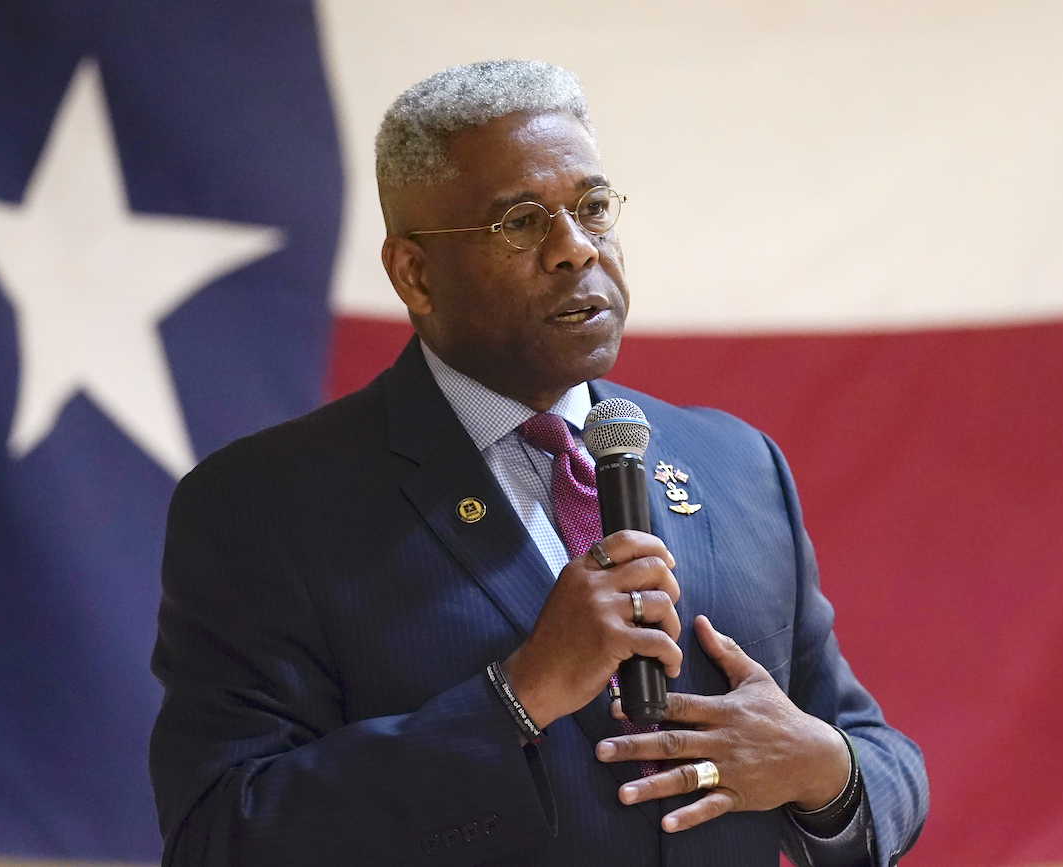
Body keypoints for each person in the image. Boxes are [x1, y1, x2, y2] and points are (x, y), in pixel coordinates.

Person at [149, 60, 928, 866]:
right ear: (415, 273)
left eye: (592, 208)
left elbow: (872, 749)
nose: (576, 248)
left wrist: (822, 770)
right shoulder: (264, 506)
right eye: (520, 222)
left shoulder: (738, 465)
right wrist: (516, 697)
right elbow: (222, 834)